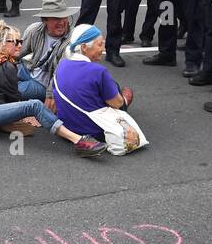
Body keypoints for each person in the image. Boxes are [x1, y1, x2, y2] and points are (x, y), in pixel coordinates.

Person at [0, 19, 105, 154]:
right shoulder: (6, 66)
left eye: (20, 41)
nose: (19, 45)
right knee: (35, 106)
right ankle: (78, 140)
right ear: (1, 44)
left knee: (22, 69)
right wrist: (27, 114)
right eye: (14, 42)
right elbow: (13, 99)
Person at [51, 24, 143, 154]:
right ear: (83, 47)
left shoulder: (62, 64)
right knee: (119, 91)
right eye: (99, 45)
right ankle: (125, 101)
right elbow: (117, 103)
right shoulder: (98, 71)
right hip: (94, 131)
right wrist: (121, 101)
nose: (103, 49)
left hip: (67, 128)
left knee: (106, 87)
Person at [17, 0, 75, 100]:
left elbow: (58, 78)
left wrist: (49, 98)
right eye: (56, 18)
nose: (61, 22)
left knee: (14, 89)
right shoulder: (34, 30)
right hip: (29, 71)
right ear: (45, 20)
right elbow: (17, 52)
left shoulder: (72, 40)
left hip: (44, 85)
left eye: (64, 17)